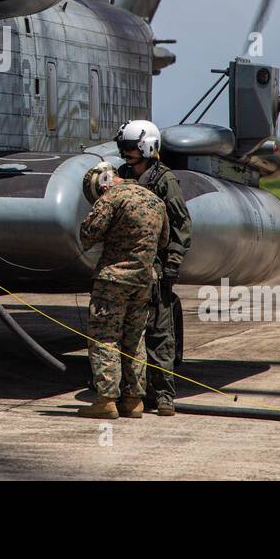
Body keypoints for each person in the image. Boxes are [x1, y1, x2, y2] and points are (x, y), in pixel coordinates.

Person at [77, 162, 169, 420]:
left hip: (113, 281)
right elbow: (163, 241)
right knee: (134, 338)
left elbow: (88, 234)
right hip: (143, 281)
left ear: (103, 182)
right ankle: (133, 400)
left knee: (105, 337)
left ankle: (106, 400)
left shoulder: (112, 198)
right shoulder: (155, 201)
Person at [115, 119, 192, 416]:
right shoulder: (122, 176)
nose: (126, 154)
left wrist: (173, 261)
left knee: (160, 332)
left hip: (156, 267)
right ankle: (129, 390)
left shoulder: (164, 180)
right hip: (127, 265)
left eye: (131, 148)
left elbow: (182, 224)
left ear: (147, 147)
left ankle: (163, 395)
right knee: (125, 331)